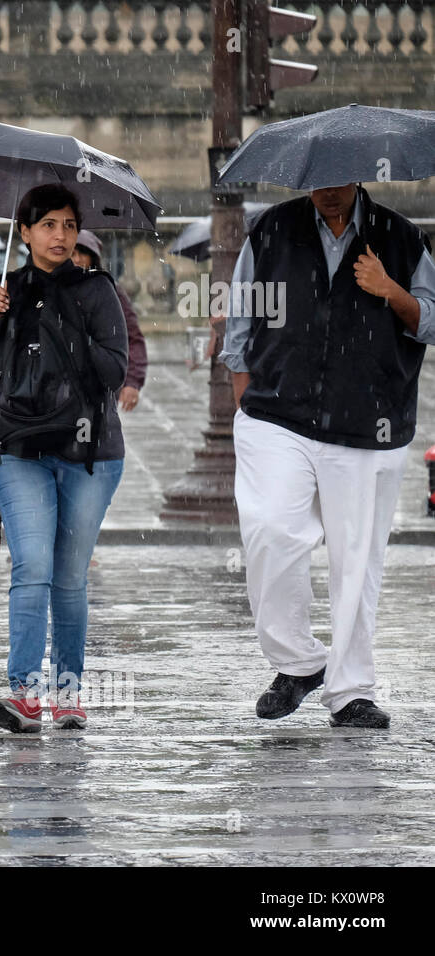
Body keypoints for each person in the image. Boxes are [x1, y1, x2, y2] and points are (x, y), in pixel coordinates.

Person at [219, 182, 435, 728]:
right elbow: (241, 309)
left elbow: (431, 319)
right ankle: (298, 662)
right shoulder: (272, 229)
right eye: (318, 185)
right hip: (277, 412)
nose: (328, 196)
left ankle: (351, 690)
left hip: (369, 421)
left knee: (358, 559)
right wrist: (243, 393)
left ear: (358, 177)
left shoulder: (402, 238)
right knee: (270, 530)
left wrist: (390, 290)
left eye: (338, 185)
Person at [0, 183, 128, 732]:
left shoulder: (96, 291)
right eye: (48, 225)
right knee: (31, 565)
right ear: (25, 232)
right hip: (20, 450)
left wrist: (67, 325)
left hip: (89, 453)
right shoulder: (1, 291)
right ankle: (25, 695)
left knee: (69, 576)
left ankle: (68, 693)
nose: (60, 235)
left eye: (68, 224)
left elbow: (114, 372)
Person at [72, 230, 148, 412]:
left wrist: (132, 381)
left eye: (83, 254)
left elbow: (132, 337)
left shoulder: (109, 292)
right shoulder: (49, 288)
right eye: (72, 253)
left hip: (98, 384)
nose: (77, 260)